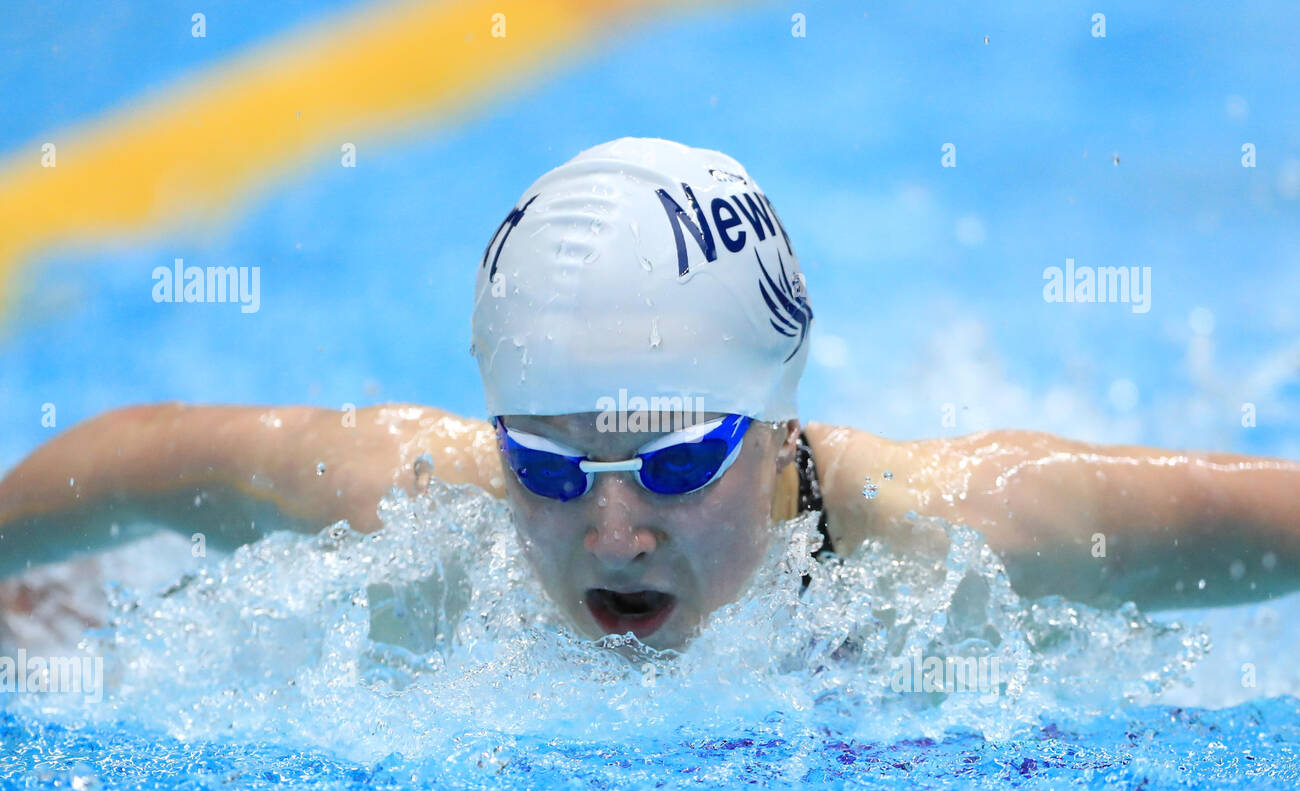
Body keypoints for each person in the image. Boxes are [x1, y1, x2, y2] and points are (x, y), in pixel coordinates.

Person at [1, 137, 1297, 652]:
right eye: (551, 469)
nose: (612, 529)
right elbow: (152, 455)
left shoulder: (952, 531)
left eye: (676, 461)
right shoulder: (421, 499)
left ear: (780, 423)